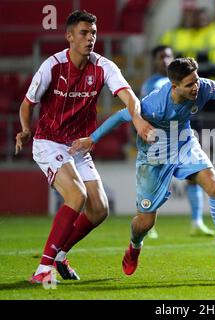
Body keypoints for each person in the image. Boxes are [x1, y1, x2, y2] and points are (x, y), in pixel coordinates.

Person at [69, 57, 215, 273]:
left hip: (183, 144)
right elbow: (120, 116)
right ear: (174, 86)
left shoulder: (205, 88)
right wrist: (93, 138)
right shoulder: (154, 105)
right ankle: (134, 246)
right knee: (145, 223)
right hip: (153, 156)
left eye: (197, 80)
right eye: (190, 84)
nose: (196, 87)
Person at [14, 10, 152, 284]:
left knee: (99, 209)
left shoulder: (103, 67)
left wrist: (136, 118)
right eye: (84, 33)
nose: (90, 38)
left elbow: (129, 98)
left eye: (93, 33)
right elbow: (28, 104)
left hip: (77, 147)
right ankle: (43, 268)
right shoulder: (52, 66)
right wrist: (26, 128)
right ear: (69, 37)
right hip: (48, 141)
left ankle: (61, 254)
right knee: (76, 196)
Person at [141, 45, 215, 238]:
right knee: (154, 180)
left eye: (168, 56)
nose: (165, 60)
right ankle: (147, 223)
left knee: (194, 175)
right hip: (163, 135)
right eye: (160, 57)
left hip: (188, 127)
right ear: (154, 61)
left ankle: (197, 222)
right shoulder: (152, 85)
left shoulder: (188, 79)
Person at [192, 7, 215, 79]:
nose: (200, 22)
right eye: (197, 19)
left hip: (210, 75)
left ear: (210, 19)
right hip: (195, 73)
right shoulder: (194, 34)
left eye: (203, 19)